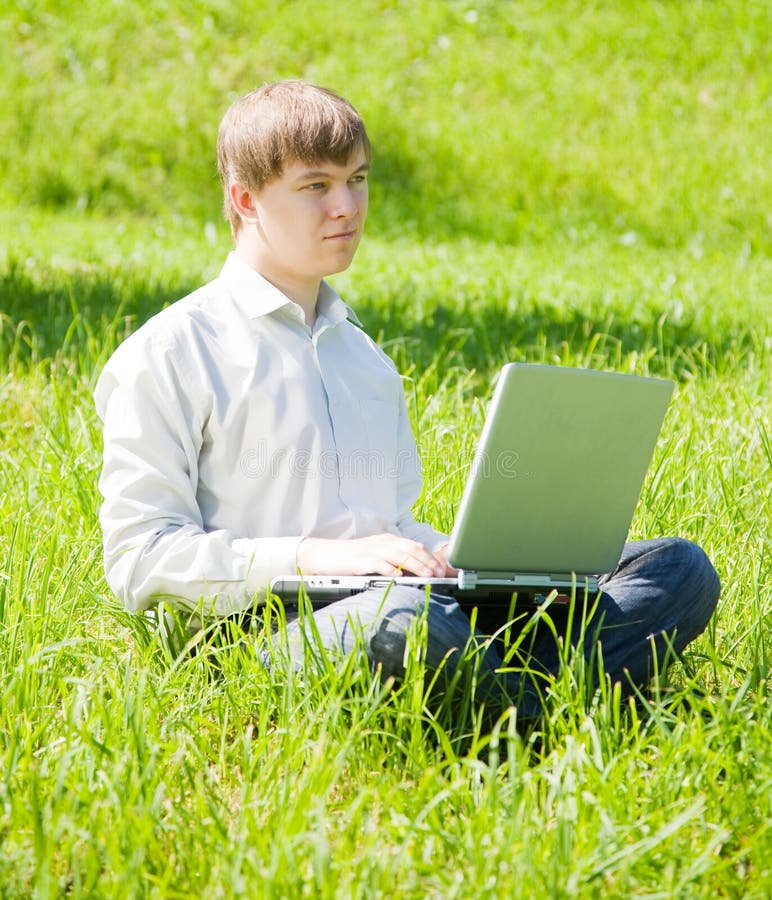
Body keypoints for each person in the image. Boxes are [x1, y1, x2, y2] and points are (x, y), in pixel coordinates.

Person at [94, 80, 720, 717]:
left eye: (357, 179)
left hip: (401, 599)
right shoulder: (172, 352)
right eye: (316, 186)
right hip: (259, 636)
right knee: (407, 621)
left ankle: (510, 694)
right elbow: (142, 559)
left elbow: (387, 525)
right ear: (245, 199)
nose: (347, 206)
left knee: (677, 568)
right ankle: (559, 703)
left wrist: (452, 556)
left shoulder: (365, 359)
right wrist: (314, 558)